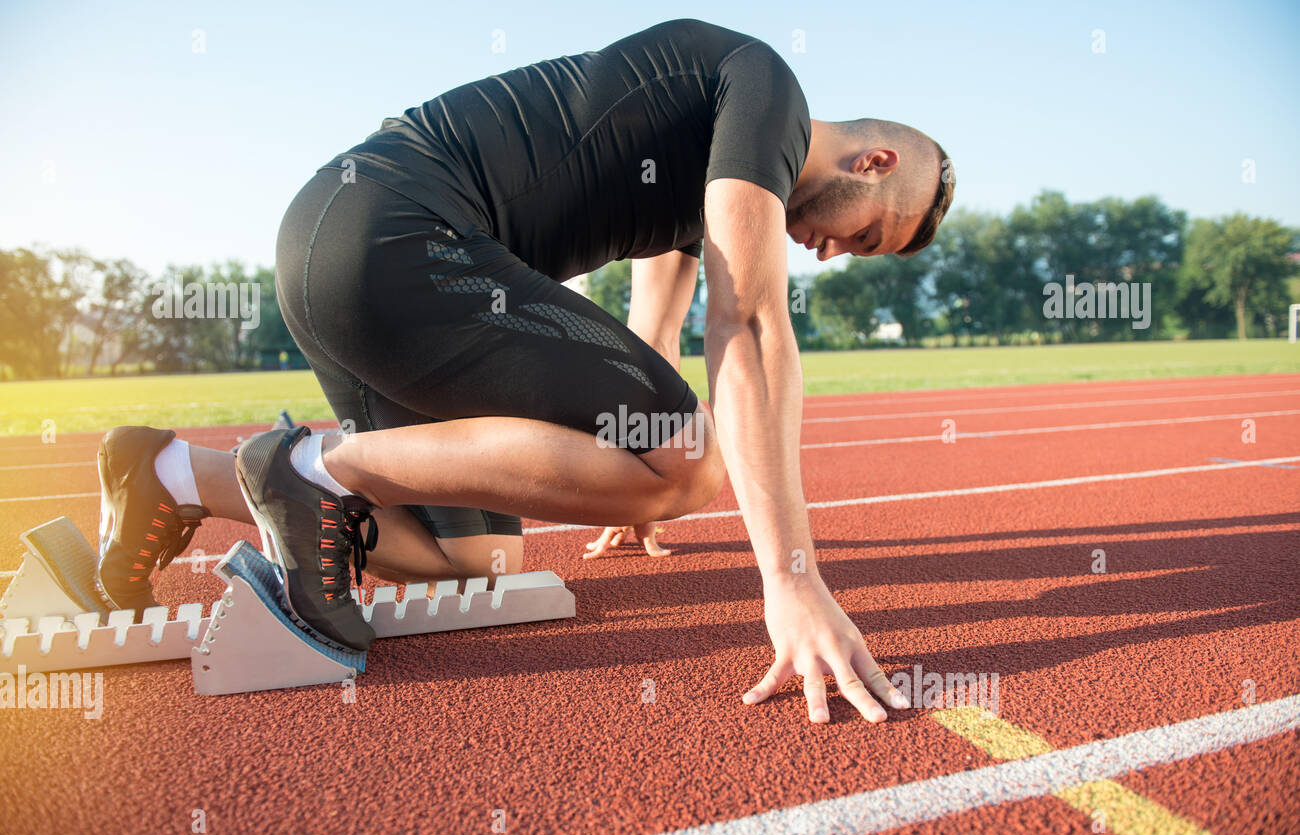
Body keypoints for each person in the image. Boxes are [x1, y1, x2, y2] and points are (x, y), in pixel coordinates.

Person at [95, 19, 954, 725]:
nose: (836, 254)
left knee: (478, 556)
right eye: (866, 234)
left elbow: (650, 334)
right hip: (394, 236)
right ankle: (310, 469)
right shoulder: (765, 87)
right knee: (694, 457)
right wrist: (790, 579)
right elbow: (753, 325)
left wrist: (625, 487)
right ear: (872, 164)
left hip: (338, 252)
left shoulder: (719, 180)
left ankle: (171, 474)